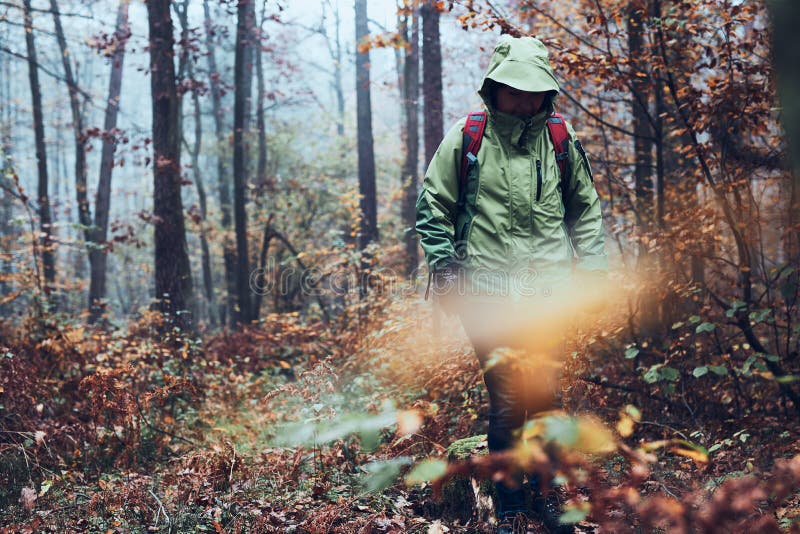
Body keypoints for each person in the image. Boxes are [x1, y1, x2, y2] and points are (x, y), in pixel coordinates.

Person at [415, 35, 608, 533]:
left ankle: (549, 499)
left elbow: (584, 210)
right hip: (487, 295)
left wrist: (593, 271)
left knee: (545, 397)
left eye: (532, 91)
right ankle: (510, 508)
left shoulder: (561, 140)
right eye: (513, 90)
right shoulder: (469, 136)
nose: (523, 100)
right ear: (494, 89)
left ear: (547, 93)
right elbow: (431, 207)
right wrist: (446, 265)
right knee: (506, 402)